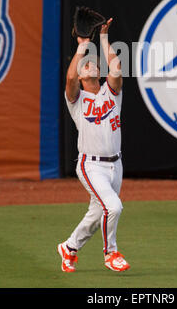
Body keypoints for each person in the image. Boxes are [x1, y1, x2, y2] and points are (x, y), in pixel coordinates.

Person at [57, 17, 130, 273]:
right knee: (114, 206)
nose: (89, 65)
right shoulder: (77, 100)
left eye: (93, 63)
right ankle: (111, 253)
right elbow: (68, 80)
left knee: (98, 214)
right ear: (80, 73)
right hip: (91, 165)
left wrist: (103, 38)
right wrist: (82, 46)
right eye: (84, 65)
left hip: (115, 164)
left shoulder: (110, 93)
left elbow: (118, 67)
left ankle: (69, 247)